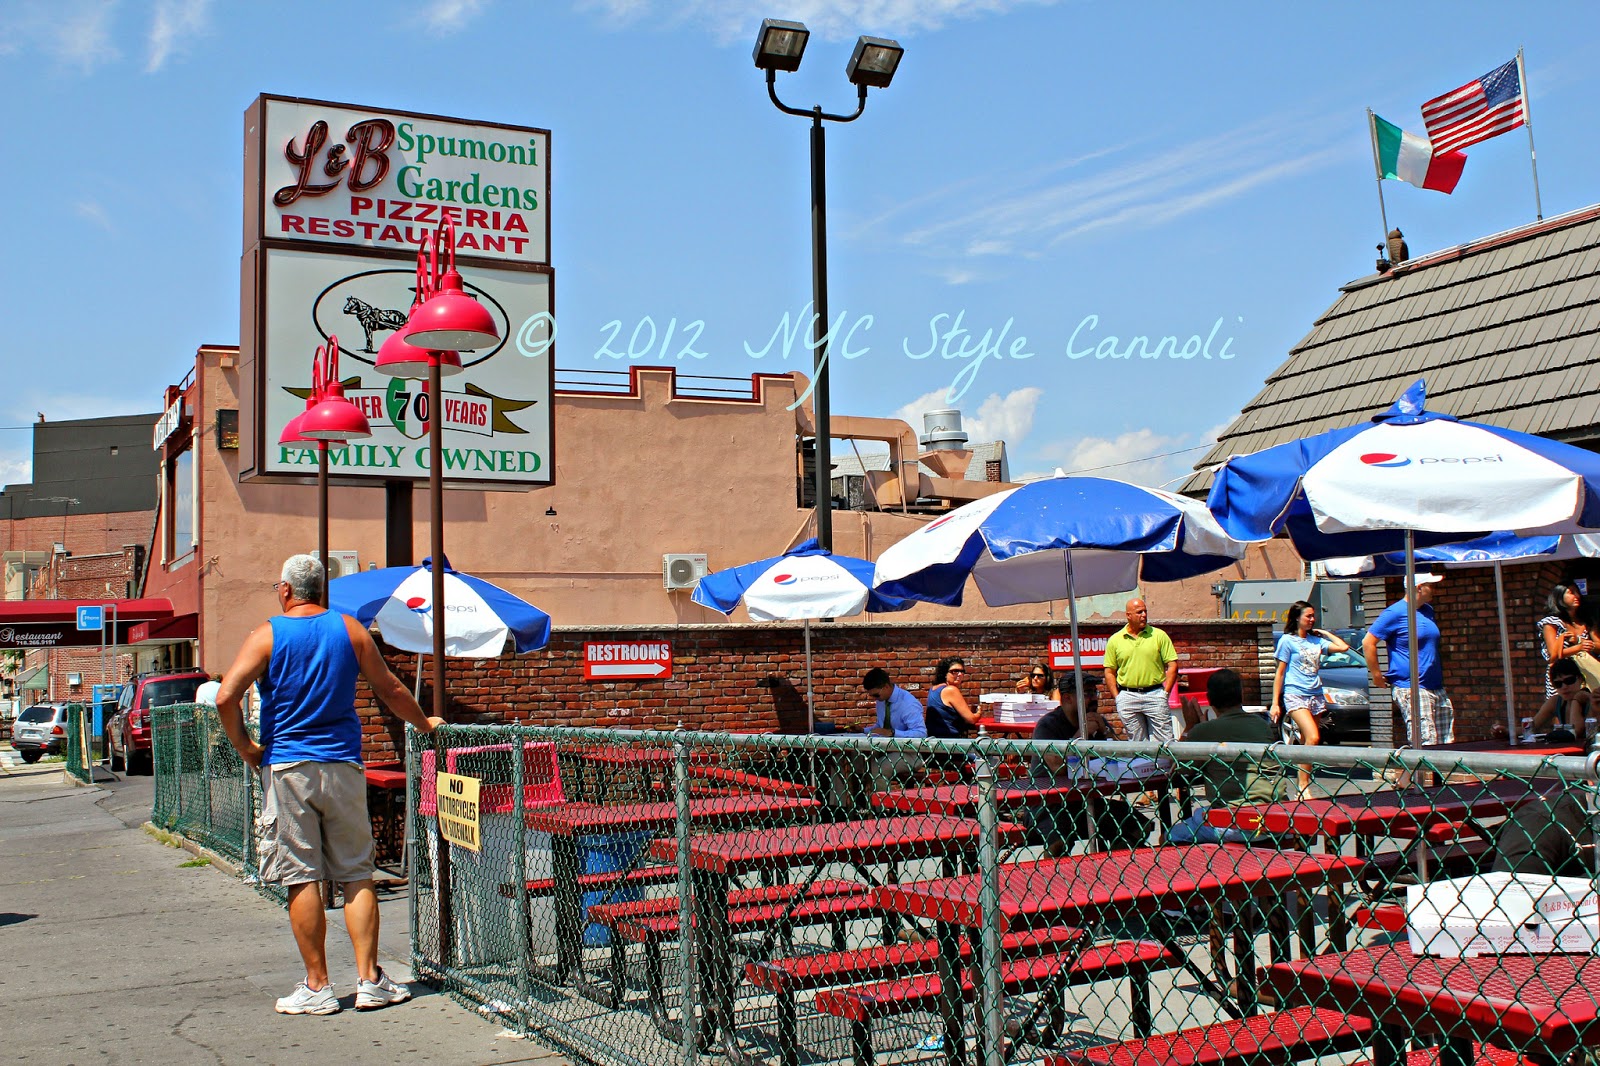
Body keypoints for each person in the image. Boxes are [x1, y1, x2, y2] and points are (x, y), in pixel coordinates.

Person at [216, 554, 444, 1016]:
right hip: (342, 764)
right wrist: (423, 724)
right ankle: (370, 980)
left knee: (301, 876)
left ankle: (318, 987)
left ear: (285, 590)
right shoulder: (351, 630)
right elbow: (392, 690)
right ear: (323, 591)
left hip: (287, 767)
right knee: (357, 873)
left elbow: (226, 696)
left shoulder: (266, 635)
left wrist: (247, 748)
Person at [1024, 672, 1143, 853]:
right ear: (1067, 698)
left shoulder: (1097, 720)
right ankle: (1051, 879)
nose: (1093, 699)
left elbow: (1121, 758)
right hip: (1048, 804)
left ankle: (1112, 871)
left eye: (1095, 693)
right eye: (1087, 694)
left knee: (1137, 827)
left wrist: (1107, 735)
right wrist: (1082, 735)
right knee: (1059, 842)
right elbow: (1058, 767)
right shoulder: (1048, 726)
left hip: (1088, 800)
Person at [1166, 669, 1285, 844]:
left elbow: (1178, 769)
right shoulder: (1261, 725)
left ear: (1210, 699)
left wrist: (1190, 727)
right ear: (1241, 695)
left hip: (1233, 820)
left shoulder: (1203, 731)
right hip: (1273, 816)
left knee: (1169, 836)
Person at [1362, 571, 1453, 746]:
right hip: (1411, 687)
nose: (1434, 589)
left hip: (1435, 686)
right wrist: (1376, 675)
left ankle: (1432, 775)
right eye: (1430, 585)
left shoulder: (1427, 611)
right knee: (1425, 743)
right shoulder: (1395, 613)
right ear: (1419, 588)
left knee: (1445, 743)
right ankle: (1412, 774)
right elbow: (1368, 642)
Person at [1271, 600, 1350, 796]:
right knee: (1313, 737)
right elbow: (1280, 673)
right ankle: (1303, 785)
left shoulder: (1316, 641)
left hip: (1315, 694)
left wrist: (1326, 633)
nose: (1312, 619)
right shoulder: (1287, 641)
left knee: (1308, 740)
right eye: (1308, 616)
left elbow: (1344, 648)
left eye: (1314, 616)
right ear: (1297, 618)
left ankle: (1302, 784)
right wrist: (1275, 703)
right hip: (1295, 693)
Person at [827, 667, 926, 806]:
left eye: (876, 695)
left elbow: (921, 734)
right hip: (883, 750)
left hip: (909, 753)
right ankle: (841, 807)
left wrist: (893, 733)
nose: (875, 699)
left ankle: (884, 810)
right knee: (840, 762)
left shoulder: (908, 703)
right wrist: (863, 730)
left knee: (875, 770)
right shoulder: (882, 701)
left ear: (886, 687)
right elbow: (880, 728)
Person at [1103, 598, 1179, 743]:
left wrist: (1165, 693)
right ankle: (1142, 766)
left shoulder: (1158, 636)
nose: (1144, 615)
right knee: (1136, 744)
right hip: (1128, 696)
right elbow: (1109, 671)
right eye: (1139, 612)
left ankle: (1164, 766)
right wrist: (1117, 697)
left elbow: (1173, 665)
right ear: (1128, 615)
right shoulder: (1115, 640)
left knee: (1164, 742)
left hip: (1155, 694)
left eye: (1145, 611)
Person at [1539, 582, 1598, 697]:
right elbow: (1553, 655)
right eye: (1571, 593)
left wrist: (1584, 643)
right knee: (1562, 708)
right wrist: (1579, 647)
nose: (1576, 596)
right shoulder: (1552, 623)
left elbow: (1598, 645)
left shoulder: (1587, 621)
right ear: (1559, 597)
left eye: (1577, 592)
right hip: (1563, 677)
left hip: (1586, 673)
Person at [1533, 659, 1593, 742]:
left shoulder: (1591, 701)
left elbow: (1576, 731)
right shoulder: (1555, 701)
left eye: (1569, 681)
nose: (1564, 687)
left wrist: (1576, 701)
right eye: (1558, 684)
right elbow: (1532, 727)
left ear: (1580, 679)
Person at [925, 658, 980, 739]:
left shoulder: (934, 689)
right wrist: (979, 712)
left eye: (962, 671)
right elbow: (971, 719)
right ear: (945, 673)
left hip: (934, 741)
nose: (960, 674)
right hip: (952, 743)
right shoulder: (951, 690)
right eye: (955, 671)